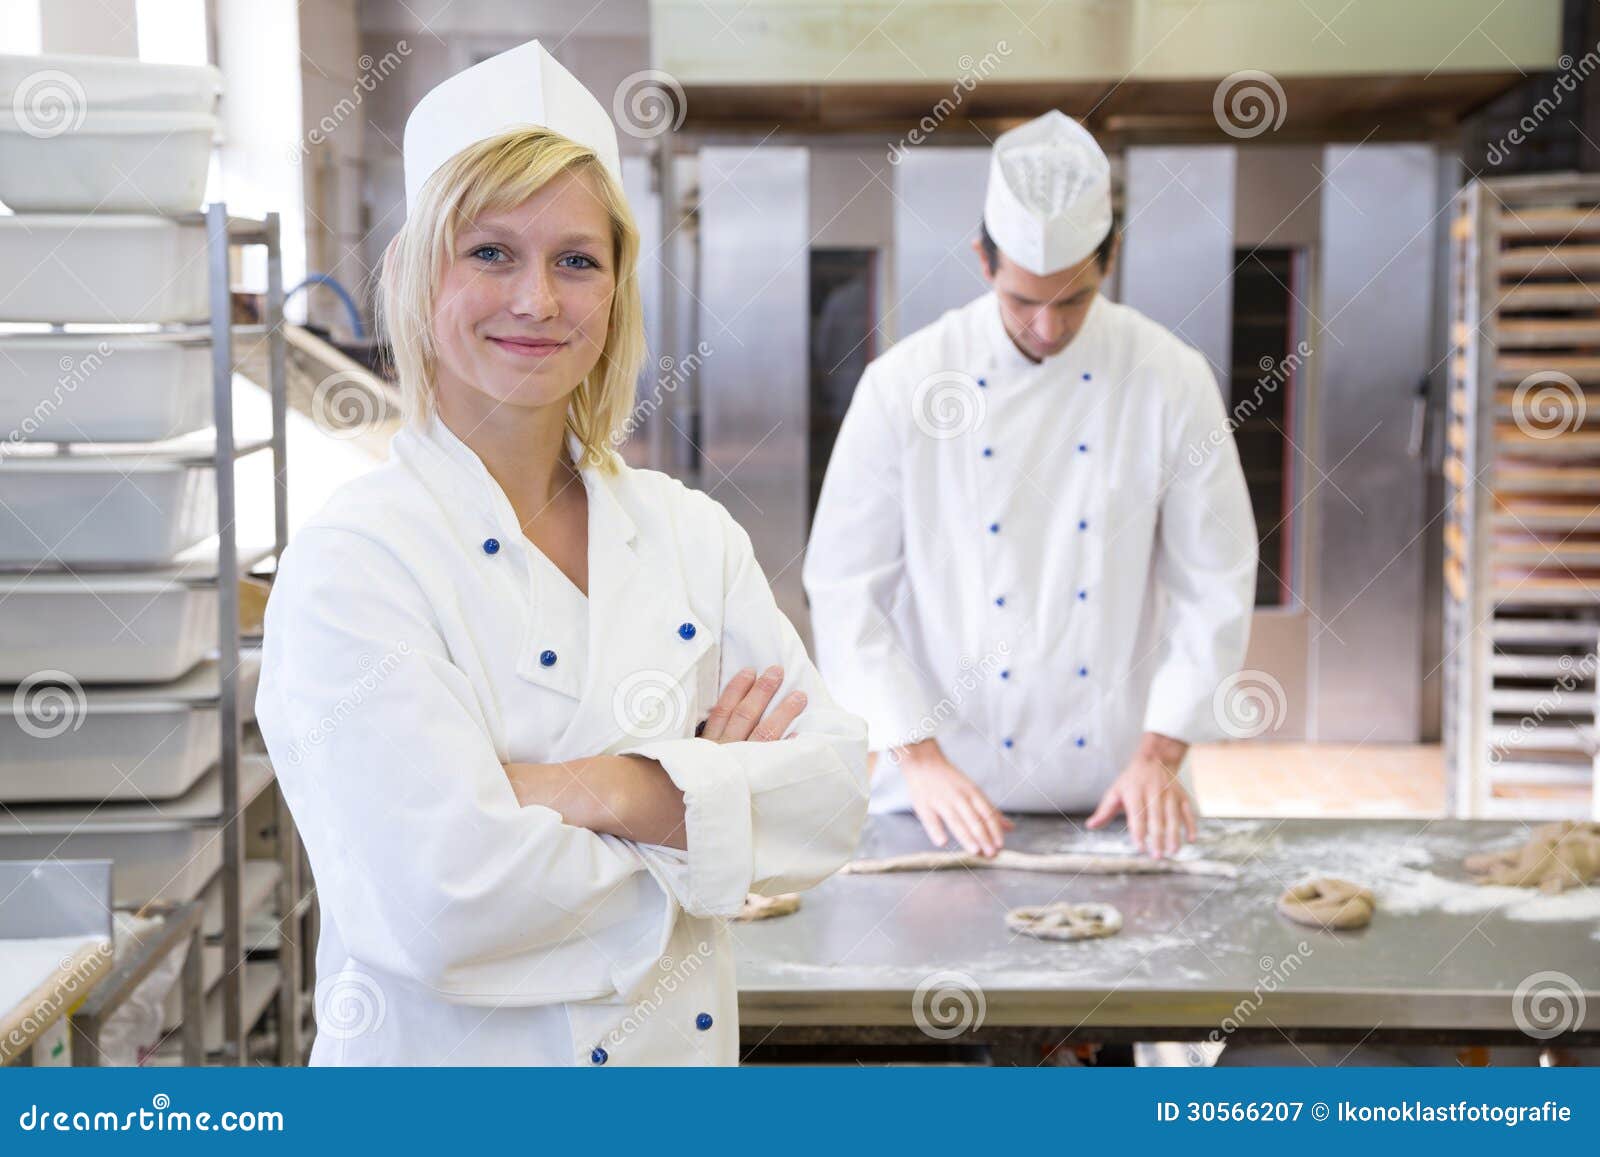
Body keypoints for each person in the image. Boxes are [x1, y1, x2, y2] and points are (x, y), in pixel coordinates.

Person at [254, 39, 868, 1066]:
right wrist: (706, 809)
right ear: (415, 273)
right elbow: (442, 904)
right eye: (490, 251)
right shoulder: (355, 561)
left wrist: (594, 787)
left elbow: (830, 800)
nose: (536, 299)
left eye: (575, 259)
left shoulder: (690, 535)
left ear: (617, 288)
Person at [803, 110, 1255, 861]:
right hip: (938, 798)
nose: (1047, 327)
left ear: (1108, 263)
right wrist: (918, 758)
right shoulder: (908, 383)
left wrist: (1160, 754)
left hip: (1120, 793)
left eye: (1072, 300)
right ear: (983, 260)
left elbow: (1216, 580)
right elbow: (847, 587)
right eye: (1023, 301)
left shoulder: (1168, 378)